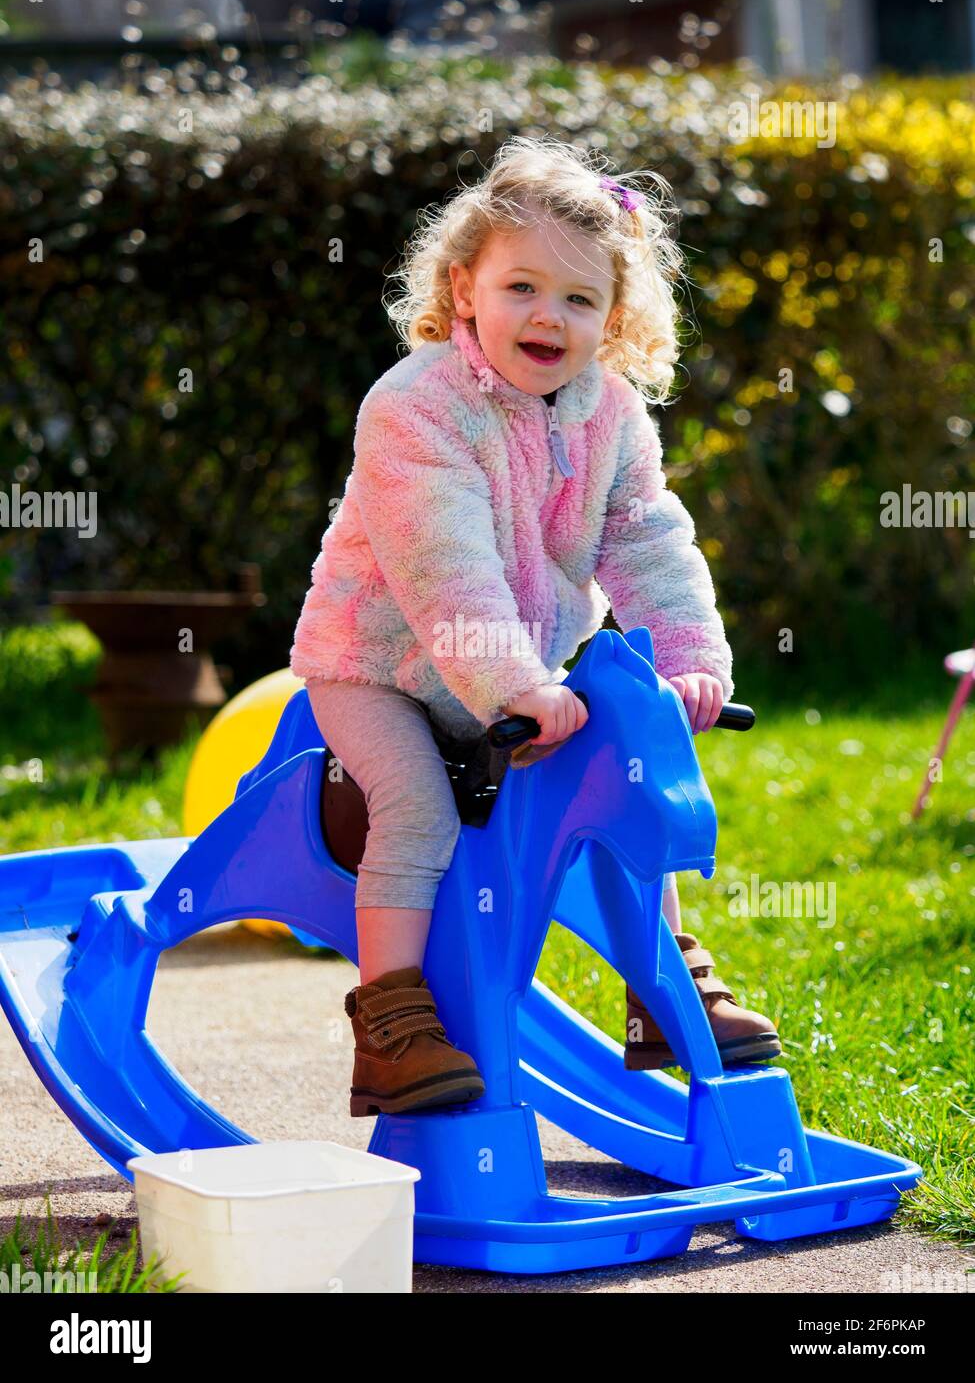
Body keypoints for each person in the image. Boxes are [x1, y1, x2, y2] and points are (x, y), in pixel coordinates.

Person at [290, 135, 782, 1117]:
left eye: (579, 298)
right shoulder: (415, 409)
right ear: (464, 287)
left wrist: (687, 662)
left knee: (623, 776)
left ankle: (663, 988)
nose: (548, 316)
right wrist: (513, 683)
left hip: (519, 684)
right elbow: (445, 568)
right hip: (378, 664)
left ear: (614, 317)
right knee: (418, 807)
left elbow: (648, 543)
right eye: (522, 287)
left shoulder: (613, 416)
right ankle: (390, 1022)